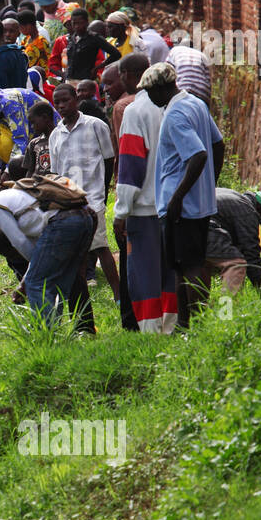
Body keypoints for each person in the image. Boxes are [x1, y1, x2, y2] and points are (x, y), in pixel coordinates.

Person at [150, 67, 225, 326]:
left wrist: (178, 197)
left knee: (187, 267)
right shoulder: (195, 103)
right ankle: (185, 325)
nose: (149, 97)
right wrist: (209, 184)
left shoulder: (175, 114)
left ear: (161, 89)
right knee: (187, 266)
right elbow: (218, 144)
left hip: (180, 206)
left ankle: (195, 323)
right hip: (199, 203)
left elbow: (199, 154)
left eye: (149, 92)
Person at [0, 180, 96, 332]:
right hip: (85, 216)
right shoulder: (20, 200)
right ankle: (84, 330)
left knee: (37, 283)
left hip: (64, 222)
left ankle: (46, 336)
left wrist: (31, 277)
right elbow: (40, 253)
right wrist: (27, 278)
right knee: (69, 277)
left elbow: (19, 241)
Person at [114, 64, 178, 334]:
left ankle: (151, 332)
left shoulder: (135, 111)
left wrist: (121, 211)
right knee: (169, 271)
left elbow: (130, 166)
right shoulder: (179, 106)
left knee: (144, 274)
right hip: (175, 204)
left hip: (143, 208)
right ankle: (172, 327)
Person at [50, 82, 119, 299]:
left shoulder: (95, 125)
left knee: (100, 246)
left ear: (76, 100)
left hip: (94, 196)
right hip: (70, 201)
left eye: (65, 100)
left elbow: (108, 159)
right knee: (76, 253)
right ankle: (82, 300)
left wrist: (105, 189)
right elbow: (56, 173)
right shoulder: (56, 134)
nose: (61, 105)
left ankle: (119, 296)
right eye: (57, 102)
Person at [205, 189, 261, 296]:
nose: (257, 223)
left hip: (184, 224)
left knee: (200, 267)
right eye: (260, 219)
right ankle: (226, 310)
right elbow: (251, 253)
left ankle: (199, 310)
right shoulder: (248, 211)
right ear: (260, 210)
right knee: (236, 264)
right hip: (205, 227)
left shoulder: (232, 196)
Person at [64, 8, 122, 82]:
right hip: (70, 79)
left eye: (80, 23)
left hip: (85, 81)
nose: (77, 26)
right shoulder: (72, 38)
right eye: (74, 23)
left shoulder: (94, 38)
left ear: (87, 22)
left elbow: (116, 54)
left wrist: (97, 68)